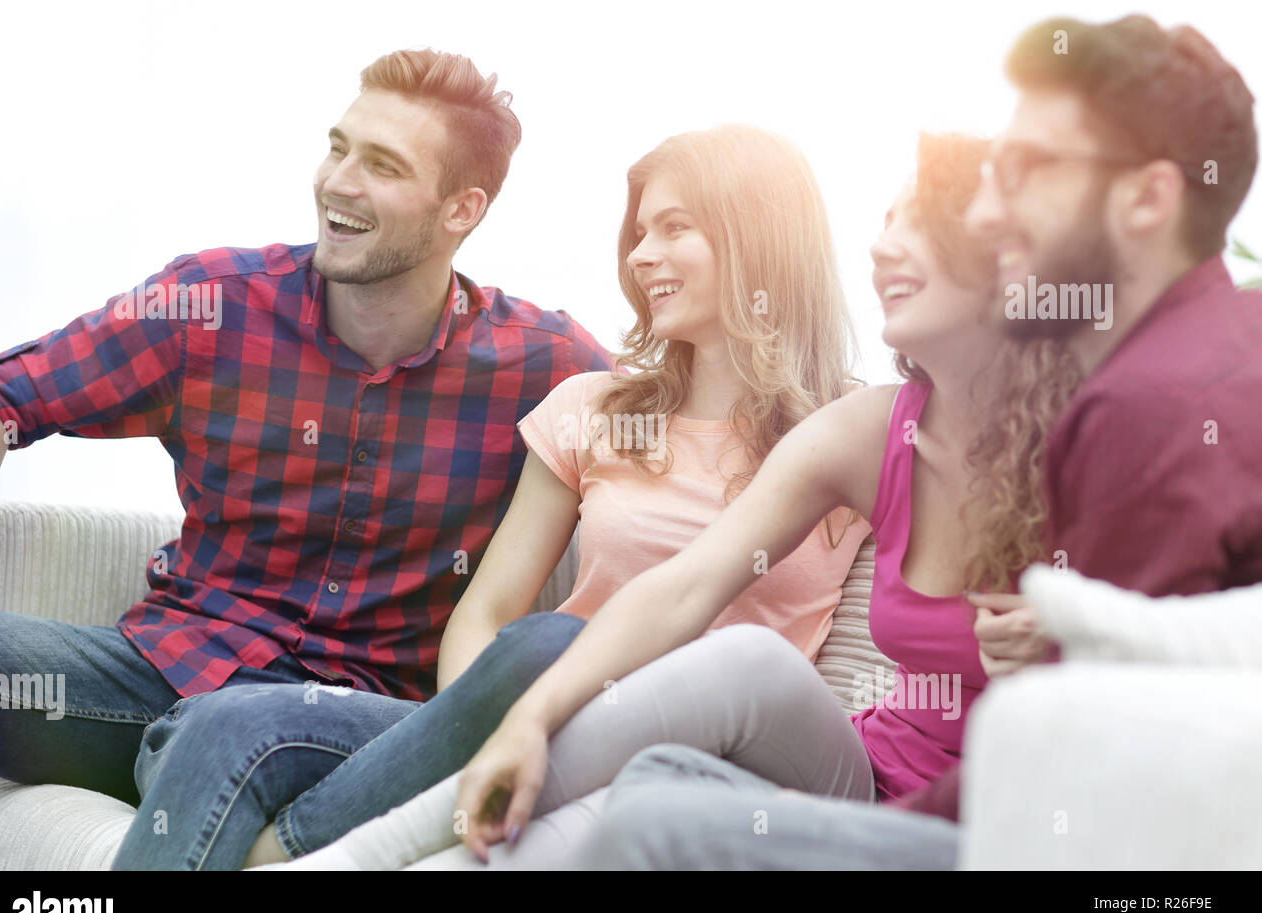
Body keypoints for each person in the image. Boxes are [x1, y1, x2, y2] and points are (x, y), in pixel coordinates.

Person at [268, 130, 1076, 871]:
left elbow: (1190, 638)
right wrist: (527, 720)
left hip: (977, 824)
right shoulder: (869, 430)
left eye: (919, 227)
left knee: (630, 758)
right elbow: (686, 584)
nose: (878, 245)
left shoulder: (1109, 446)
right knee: (628, 729)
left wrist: (1093, 631)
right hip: (851, 774)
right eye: (886, 219)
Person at [578, 12, 1262, 869]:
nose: (999, 209)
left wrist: (836, 816)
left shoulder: (1138, 407)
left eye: (1031, 173)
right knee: (665, 773)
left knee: (656, 824)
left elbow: (1096, 763)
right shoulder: (1190, 361)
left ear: (1150, 199)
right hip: (939, 786)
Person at [110, 124, 870, 870]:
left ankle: (299, 848)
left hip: (690, 753)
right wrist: (476, 724)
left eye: (674, 228)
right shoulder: (593, 409)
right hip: (534, 711)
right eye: (639, 232)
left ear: (758, 239)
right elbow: (488, 612)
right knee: (231, 721)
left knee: (549, 646)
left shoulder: (854, 437)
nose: (641, 255)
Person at [0, 48, 609, 808]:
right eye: (338, 147)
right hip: (163, 675)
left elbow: (683, 448)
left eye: (382, 165)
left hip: (360, 731)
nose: (338, 181)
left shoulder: (547, 366)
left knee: (228, 729)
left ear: (460, 209)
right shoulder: (210, 306)